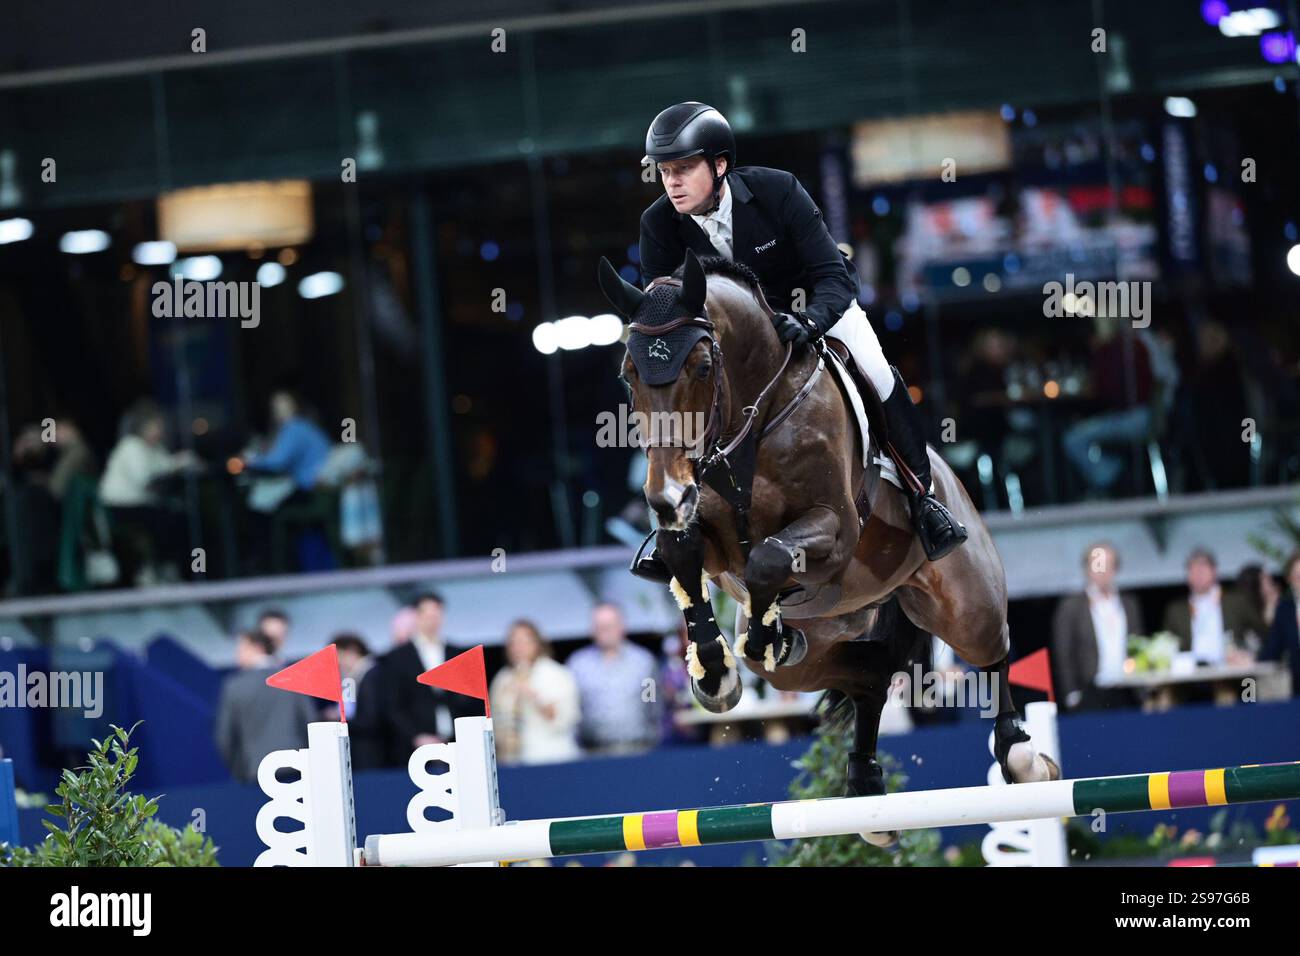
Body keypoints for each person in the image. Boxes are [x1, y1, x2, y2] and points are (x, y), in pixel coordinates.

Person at [631, 101, 965, 580]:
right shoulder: (658, 225)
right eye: (665, 172)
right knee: (673, 393)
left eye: (684, 169)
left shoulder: (776, 191)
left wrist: (809, 321)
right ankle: (674, 527)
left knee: (875, 369)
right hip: (734, 349)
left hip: (815, 313)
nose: (672, 183)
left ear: (720, 164)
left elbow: (834, 275)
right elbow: (668, 312)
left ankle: (923, 497)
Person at [357, 592, 476, 767]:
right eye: (426, 615)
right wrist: (416, 736)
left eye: (436, 615)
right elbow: (392, 705)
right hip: (412, 751)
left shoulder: (456, 654)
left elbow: (470, 699)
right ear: (416, 617)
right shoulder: (397, 657)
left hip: (457, 745)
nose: (432, 621)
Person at [98, 400, 198, 584]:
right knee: (172, 520)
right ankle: (165, 570)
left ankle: (177, 569)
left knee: (183, 515)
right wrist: (176, 464)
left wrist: (178, 462)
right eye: (156, 425)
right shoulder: (131, 446)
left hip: (142, 504)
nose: (160, 430)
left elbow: (165, 465)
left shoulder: (154, 448)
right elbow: (145, 478)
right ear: (143, 427)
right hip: (122, 508)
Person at [214, 630, 319, 783]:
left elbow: (225, 738)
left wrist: (241, 772)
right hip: (299, 768)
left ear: (257, 647)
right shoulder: (293, 678)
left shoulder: (235, 686)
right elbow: (311, 723)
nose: (237, 656)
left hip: (257, 772)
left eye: (241, 650)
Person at [1050, 542, 1144, 712]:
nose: (1102, 570)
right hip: (1090, 692)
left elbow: (1138, 645)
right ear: (1087, 568)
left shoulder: (1128, 604)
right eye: (1097, 564)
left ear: (1116, 569)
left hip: (1127, 690)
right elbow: (1063, 652)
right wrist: (1071, 694)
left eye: (1108, 565)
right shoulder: (1072, 606)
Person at [566, 602, 661, 754]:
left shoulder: (643, 662)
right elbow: (571, 708)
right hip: (591, 753)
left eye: (609, 626)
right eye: (600, 627)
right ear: (592, 630)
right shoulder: (577, 665)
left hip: (639, 750)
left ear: (622, 626)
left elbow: (653, 705)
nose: (605, 632)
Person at [488, 620, 581, 765]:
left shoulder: (556, 674)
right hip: (511, 761)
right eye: (513, 643)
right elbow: (495, 722)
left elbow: (565, 719)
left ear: (537, 643)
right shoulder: (503, 679)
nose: (518, 648)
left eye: (524, 641)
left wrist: (533, 695)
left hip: (551, 758)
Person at [1161, 548, 1257, 663]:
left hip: (1233, 673)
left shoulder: (1236, 601)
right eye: (1192, 568)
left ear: (1214, 571)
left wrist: (1250, 654)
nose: (1198, 573)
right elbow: (1166, 648)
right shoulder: (1176, 610)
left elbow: (1260, 634)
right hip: (1192, 676)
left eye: (1203, 566)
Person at [1260, 552, 1300, 698]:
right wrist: (1250, 659)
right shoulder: (1285, 610)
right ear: (1290, 580)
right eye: (1297, 577)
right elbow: (1273, 650)